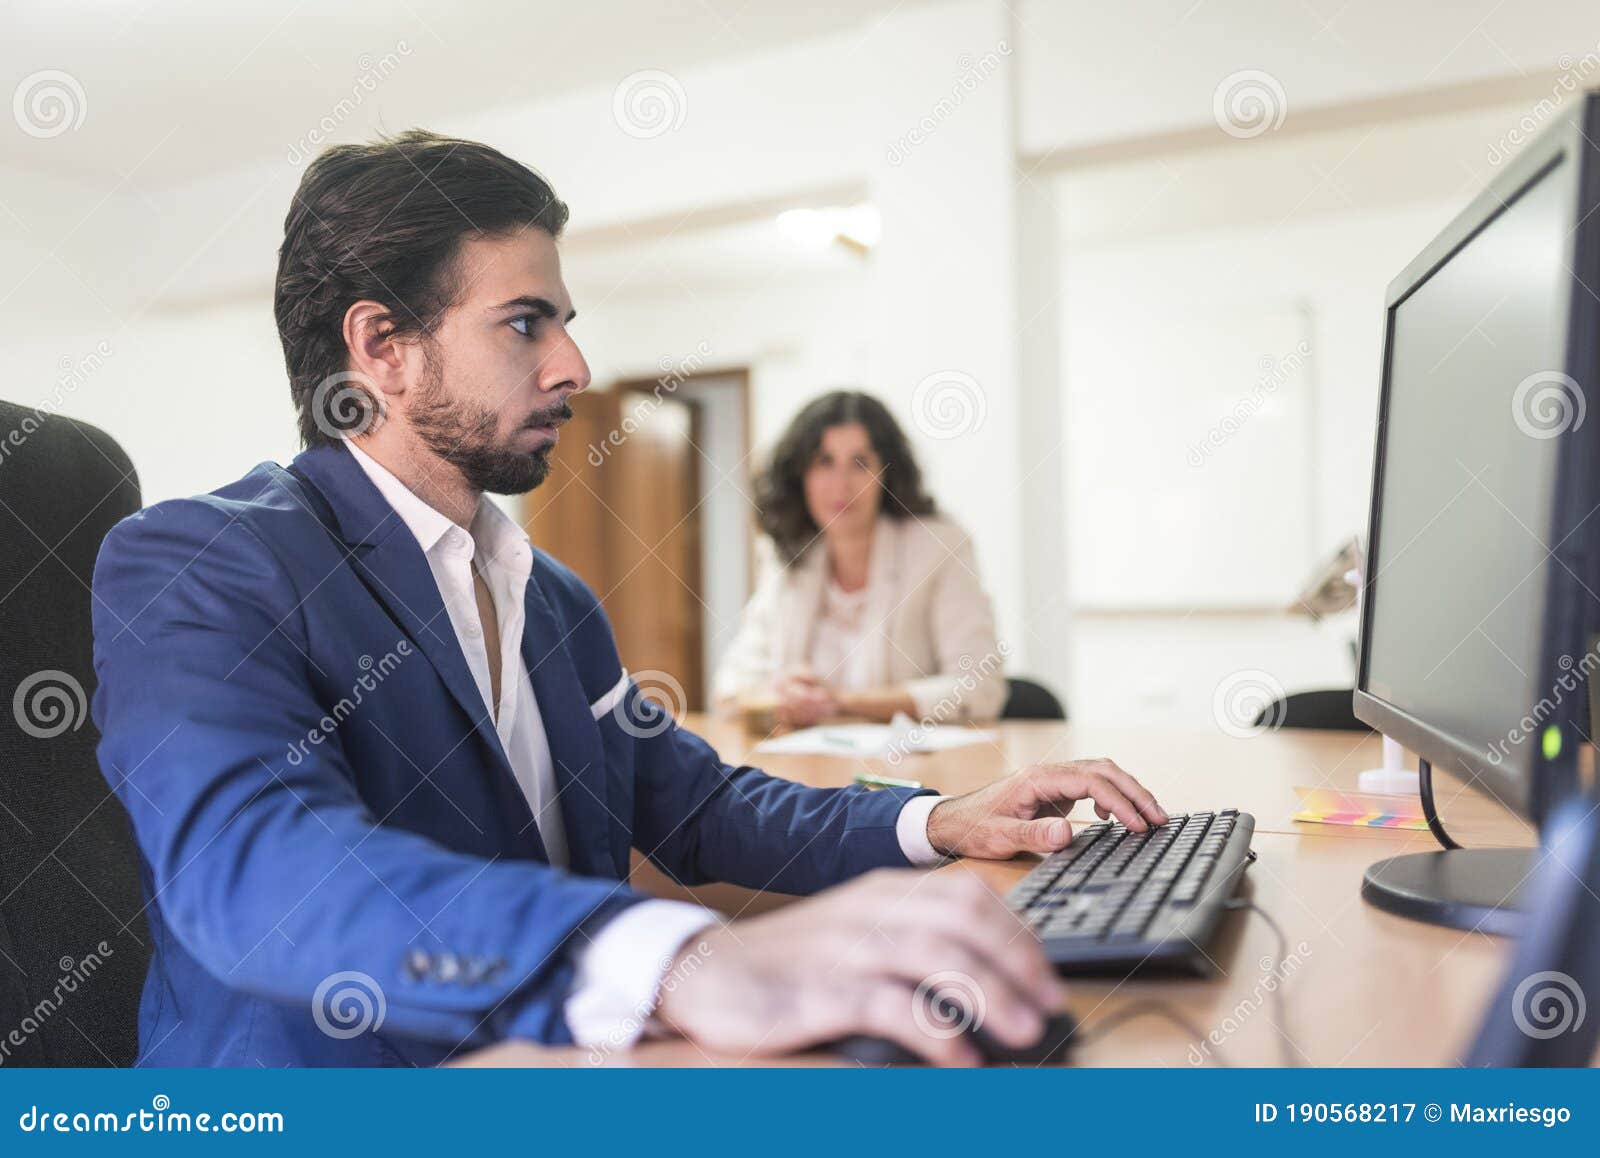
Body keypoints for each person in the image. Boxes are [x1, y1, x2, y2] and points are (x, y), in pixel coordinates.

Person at [90, 130, 1166, 1069]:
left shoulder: (548, 599)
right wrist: (673, 958)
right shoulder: (201, 562)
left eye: (564, 321)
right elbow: (261, 872)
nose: (573, 363)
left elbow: (694, 806)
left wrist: (939, 821)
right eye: (525, 324)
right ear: (381, 349)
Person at [714, 391, 1006, 727]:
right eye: (824, 462)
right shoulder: (790, 556)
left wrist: (839, 703)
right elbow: (729, 687)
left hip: (907, 767)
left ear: (886, 473)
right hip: (805, 766)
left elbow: (980, 688)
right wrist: (779, 694)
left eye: (860, 463)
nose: (841, 484)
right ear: (800, 476)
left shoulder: (939, 547)